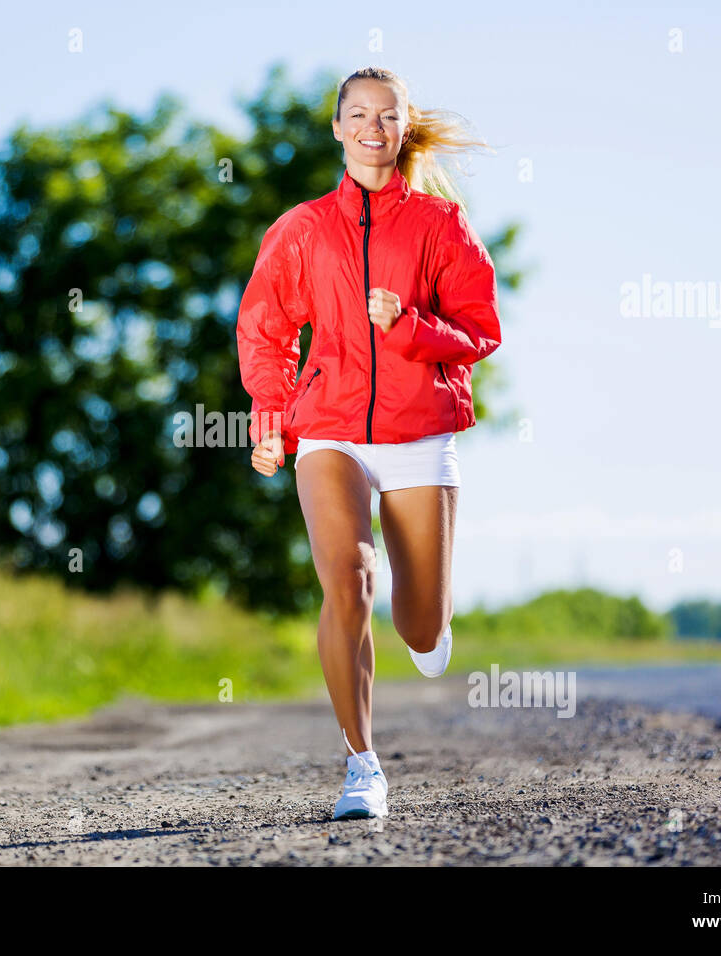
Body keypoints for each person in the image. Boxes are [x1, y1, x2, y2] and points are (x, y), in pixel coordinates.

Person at [235, 66, 502, 820]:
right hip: (331, 430)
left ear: (402, 127)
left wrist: (409, 326)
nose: (372, 127)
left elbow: (483, 331)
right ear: (338, 126)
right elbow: (266, 330)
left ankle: (430, 624)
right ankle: (362, 764)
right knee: (349, 579)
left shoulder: (441, 226)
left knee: (419, 624)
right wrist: (270, 418)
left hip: (420, 434)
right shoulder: (301, 229)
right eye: (358, 114)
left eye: (387, 116)